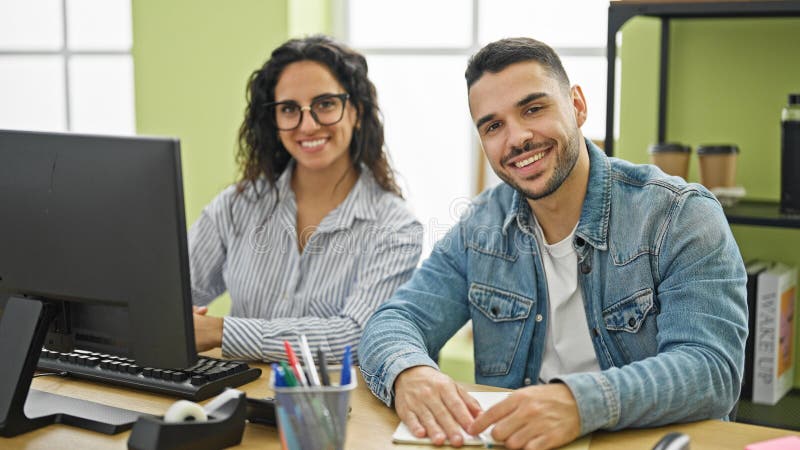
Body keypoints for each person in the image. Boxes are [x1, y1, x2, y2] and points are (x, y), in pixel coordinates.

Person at [359, 37, 747, 449]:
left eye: (533, 108)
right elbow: (394, 321)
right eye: (493, 126)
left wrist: (579, 403)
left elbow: (711, 371)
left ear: (577, 105)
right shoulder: (481, 227)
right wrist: (409, 373)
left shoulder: (679, 215)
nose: (517, 138)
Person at [189, 35, 422, 364]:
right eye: (289, 109)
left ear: (356, 111)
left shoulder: (396, 227)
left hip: (335, 411)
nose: (308, 125)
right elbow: (172, 296)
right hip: (237, 399)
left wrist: (220, 331)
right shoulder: (234, 206)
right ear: (274, 120)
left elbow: (356, 337)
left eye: (325, 104)